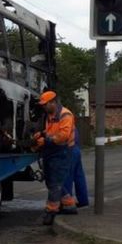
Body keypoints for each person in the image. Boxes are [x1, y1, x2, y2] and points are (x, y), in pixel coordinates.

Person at [33, 90, 76, 225]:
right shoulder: (50, 115)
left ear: (53, 102)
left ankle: (50, 212)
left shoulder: (65, 115)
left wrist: (46, 141)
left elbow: (63, 135)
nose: (44, 107)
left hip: (62, 151)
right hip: (52, 150)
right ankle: (69, 205)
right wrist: (42, 134)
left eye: (46, 104)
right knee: (52, 181)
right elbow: (52, 130)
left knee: (55, 184)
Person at [62, 126, 89, 209]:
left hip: (68, 150)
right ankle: (83, 200)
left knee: (67, 177)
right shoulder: (70, 121)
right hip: (75, 148)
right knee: (79, 176)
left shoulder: (60, 119)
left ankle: (67, 204)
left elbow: (61, 137)